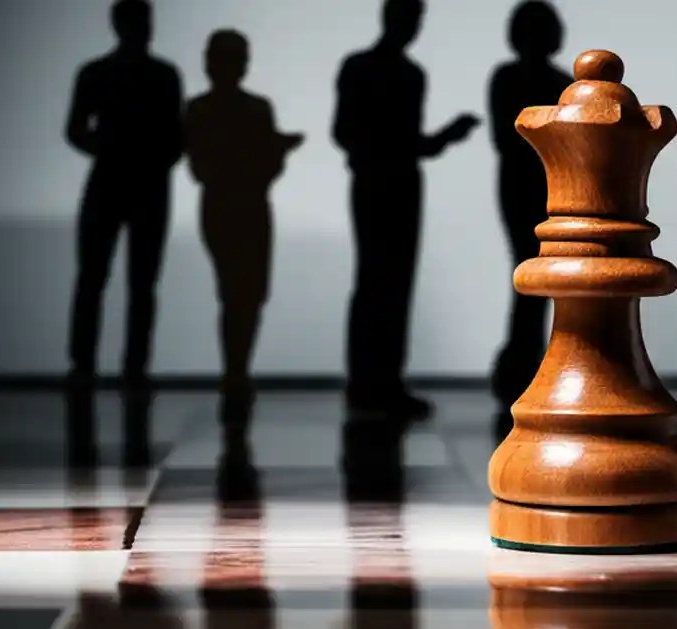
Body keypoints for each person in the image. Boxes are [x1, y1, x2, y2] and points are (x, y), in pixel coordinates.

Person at [333, 0, 480, 421]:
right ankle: (373, 382)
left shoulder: (381, 70)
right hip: (389, 182)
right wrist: (433, 140)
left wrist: (438, 138)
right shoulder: (396, 73)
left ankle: (374, 382)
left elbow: (352, 133)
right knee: (384, 282)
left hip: (386, 181)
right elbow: (352, 133)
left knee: (385, 283)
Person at [185, 30, 303, 428]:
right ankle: (236, 371)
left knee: (243, 294)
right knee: (241, 293)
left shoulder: (205, 109)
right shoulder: (243, 109)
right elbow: (210, 166)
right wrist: (268, 153)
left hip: (235, 205)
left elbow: (204, 165)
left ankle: (235, 371)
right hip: (240, 206)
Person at [65, 0, 183, 392]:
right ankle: (131, 368)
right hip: (146, 185)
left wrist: (106, 147)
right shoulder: (163, 75)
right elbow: (176, 138)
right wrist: (152, 156)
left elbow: (76, 130)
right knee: (136, 283)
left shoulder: (97, 73)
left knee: (98, 279)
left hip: (111, 181)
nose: (145, 30)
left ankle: (86, 366)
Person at [488, 1, 570, 416]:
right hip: (543, 187)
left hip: (528, 187)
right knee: (537, 280)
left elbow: (506, 137)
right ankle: (526, 368)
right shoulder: (559, 84)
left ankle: (520, 368)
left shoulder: (508, 78)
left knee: (530, 279)